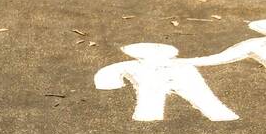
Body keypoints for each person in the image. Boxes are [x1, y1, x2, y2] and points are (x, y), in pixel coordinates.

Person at [94, 43, 239, 122]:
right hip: (172, 76)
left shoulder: (133, 65)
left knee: (200, 94)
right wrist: (108, 82)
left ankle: (148, 116)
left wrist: (108, 83)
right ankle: (221, 114)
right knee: (202, 96)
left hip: (175, 76)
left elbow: (109, 73)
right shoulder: (184, 65)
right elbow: (109, 73)